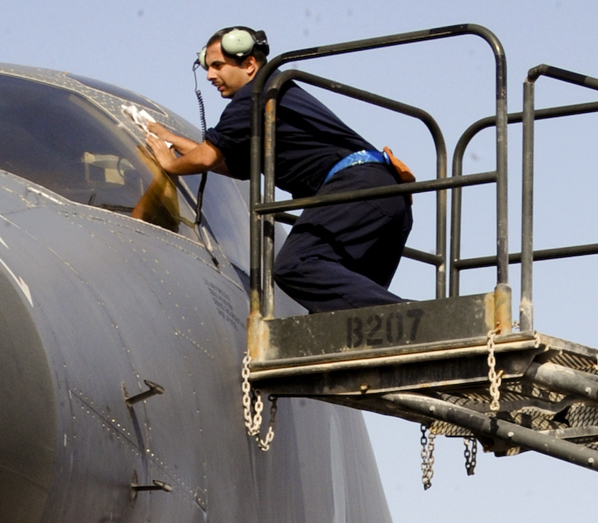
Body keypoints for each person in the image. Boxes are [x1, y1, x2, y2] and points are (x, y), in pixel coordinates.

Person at [145, 27, 414, 315]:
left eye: (218, 66)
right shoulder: (272, 96)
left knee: (296, 265)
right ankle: (415, 322)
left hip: (357, 189)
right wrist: (172, 138)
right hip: (386, 197)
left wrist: (170, 163)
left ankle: (417, 318)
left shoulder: (256, 94)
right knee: (343, 313)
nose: (210, 76)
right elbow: (232, 165)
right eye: (208, 68)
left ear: (249, 64)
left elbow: (208, 157)